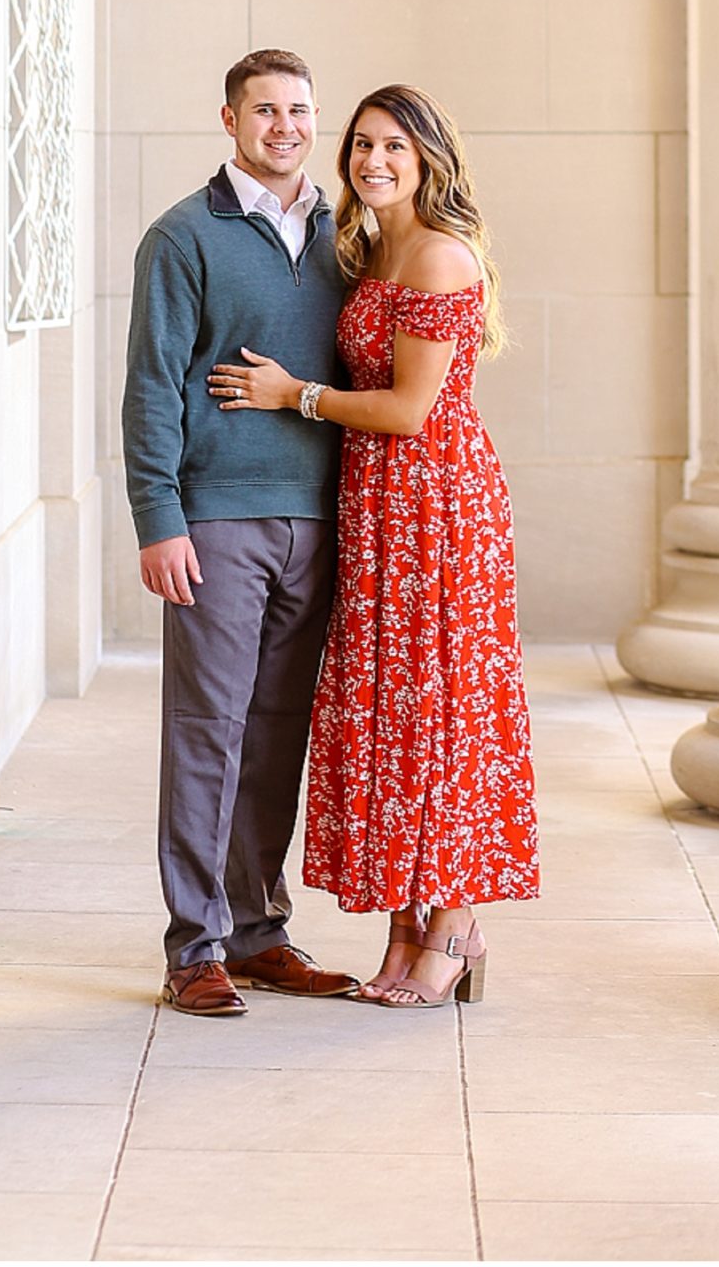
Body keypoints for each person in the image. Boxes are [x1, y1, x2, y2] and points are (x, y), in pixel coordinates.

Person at [210, 82, 539, 1009]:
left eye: (395, 145)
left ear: (429, 156)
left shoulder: (438, 257)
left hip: (439, 511)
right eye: (361, 145)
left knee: (443, 714)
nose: (374, 161)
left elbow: (408, 408)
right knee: (391, 714)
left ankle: (456, 925)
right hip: (376, 510)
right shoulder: (367, 250)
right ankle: (403, 927)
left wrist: (294, 396)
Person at [121, 48, 361, 1017]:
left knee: (275, 736)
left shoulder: (348, 238)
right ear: (229, 120)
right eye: (265, 110)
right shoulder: (182, 238)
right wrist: (158, 516)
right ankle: (194, 945)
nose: (285, 126)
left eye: (299, 109)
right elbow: (149, 388)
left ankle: (260, 931)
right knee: (208, 732)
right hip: (217, 521)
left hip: (319, 520)